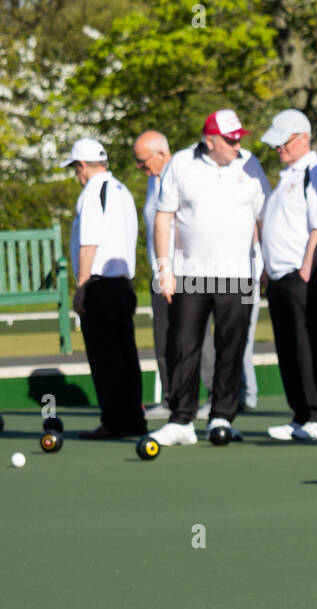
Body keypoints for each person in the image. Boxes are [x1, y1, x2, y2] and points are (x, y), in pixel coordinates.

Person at [151, 109, 270, 446]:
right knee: (184, 346)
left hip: (238, 275)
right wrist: (165, 269)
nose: (237, 145)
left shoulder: (249, 164)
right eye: (230, 140)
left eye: (238, 138)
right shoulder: (181, 163)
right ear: (210, 140)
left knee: (231, 348)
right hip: (191, 273)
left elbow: (263, 218)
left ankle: (222, 416)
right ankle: (182, 421)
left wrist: (266, 267)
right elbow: (164, 218)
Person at [259, 109, 317, 441]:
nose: (279, 148)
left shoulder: (314, 172)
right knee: (288, 347)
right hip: (278, 278)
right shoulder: (287, 174)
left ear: (303, 138)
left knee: (308, 345)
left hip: (299, 275)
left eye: (285, 142)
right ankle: (301, 414)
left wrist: (307, 267)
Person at [63, 138, 145, 439]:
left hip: (100, 286)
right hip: (123, 284)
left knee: (105, 358)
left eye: (75, 168)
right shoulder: (121, 190)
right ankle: (134, 419)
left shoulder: (92, 192)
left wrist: (81, 287)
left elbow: (89, 244)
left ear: (82, 165)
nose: (76, 175)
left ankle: (114, 421)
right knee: (125, 355)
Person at [132, 129, 174, 420]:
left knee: (195, 339)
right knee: (163, 338)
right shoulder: (152, 181)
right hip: (159, 273)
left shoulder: (178, 174)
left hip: (182, 269)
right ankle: (171, 399)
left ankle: (216, 395)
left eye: (143, 160)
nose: (140, 167)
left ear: (161, 154)